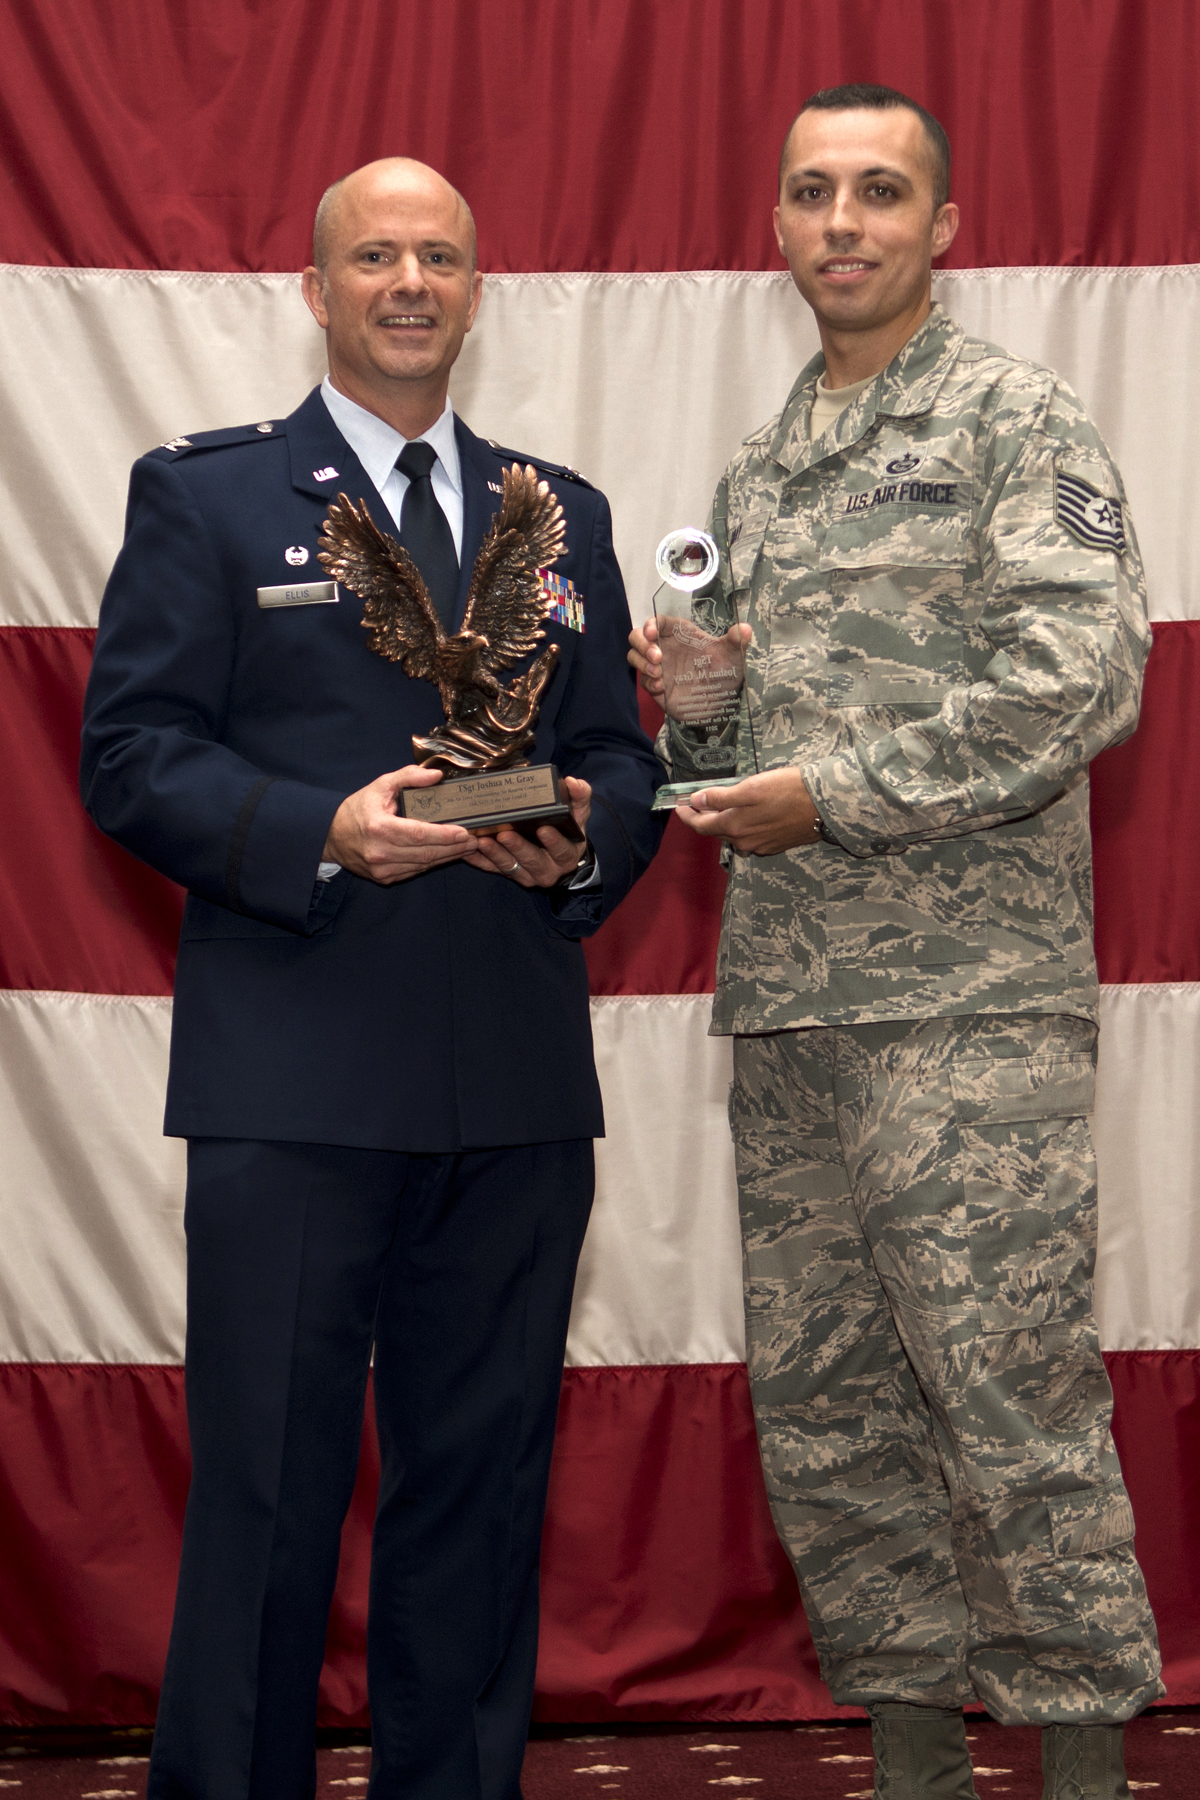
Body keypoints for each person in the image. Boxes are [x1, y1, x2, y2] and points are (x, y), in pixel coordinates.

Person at [81, 157, 662, 1800]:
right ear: (319, 290)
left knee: (479, 1493)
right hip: (300, 1072)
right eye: (376, 255)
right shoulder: (205, 498)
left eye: (442, 256)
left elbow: (615, 759)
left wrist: (583, 842)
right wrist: (319, 829)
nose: (411, 280)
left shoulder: (564, 515)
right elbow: (129, 757)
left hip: (517, 1086)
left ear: (480, 291)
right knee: (269, 1489)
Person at [630, 85, 1160, 1800]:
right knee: (840, 1416)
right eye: (810, 193)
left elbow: (1084, 672)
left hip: (969, 1010)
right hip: (792, 1006)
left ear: (942, 228)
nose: (841, 223)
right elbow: (729, 770)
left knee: (1006, 1399)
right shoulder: (760, 473)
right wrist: (698, 724)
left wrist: (835, 792)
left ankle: (1081, 1766)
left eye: (879, 192)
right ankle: (917, 1761)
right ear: (776, 228)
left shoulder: (1018, 421)